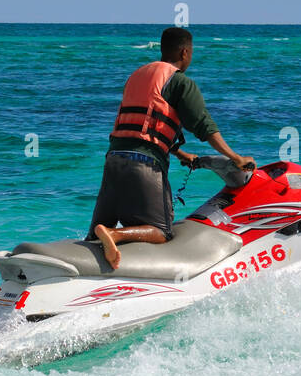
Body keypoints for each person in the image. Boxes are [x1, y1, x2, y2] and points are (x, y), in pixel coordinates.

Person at [88, 27, 255, 268]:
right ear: (185, 52)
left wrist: (180, 152)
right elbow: (204, 126)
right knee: (161, 231)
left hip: (114, 158)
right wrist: (235, 157)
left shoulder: (137, 76)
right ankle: (114, 235)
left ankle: (94, 252)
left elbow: (146, 123)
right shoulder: (179, 81)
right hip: (144, 163)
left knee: (95, 236)